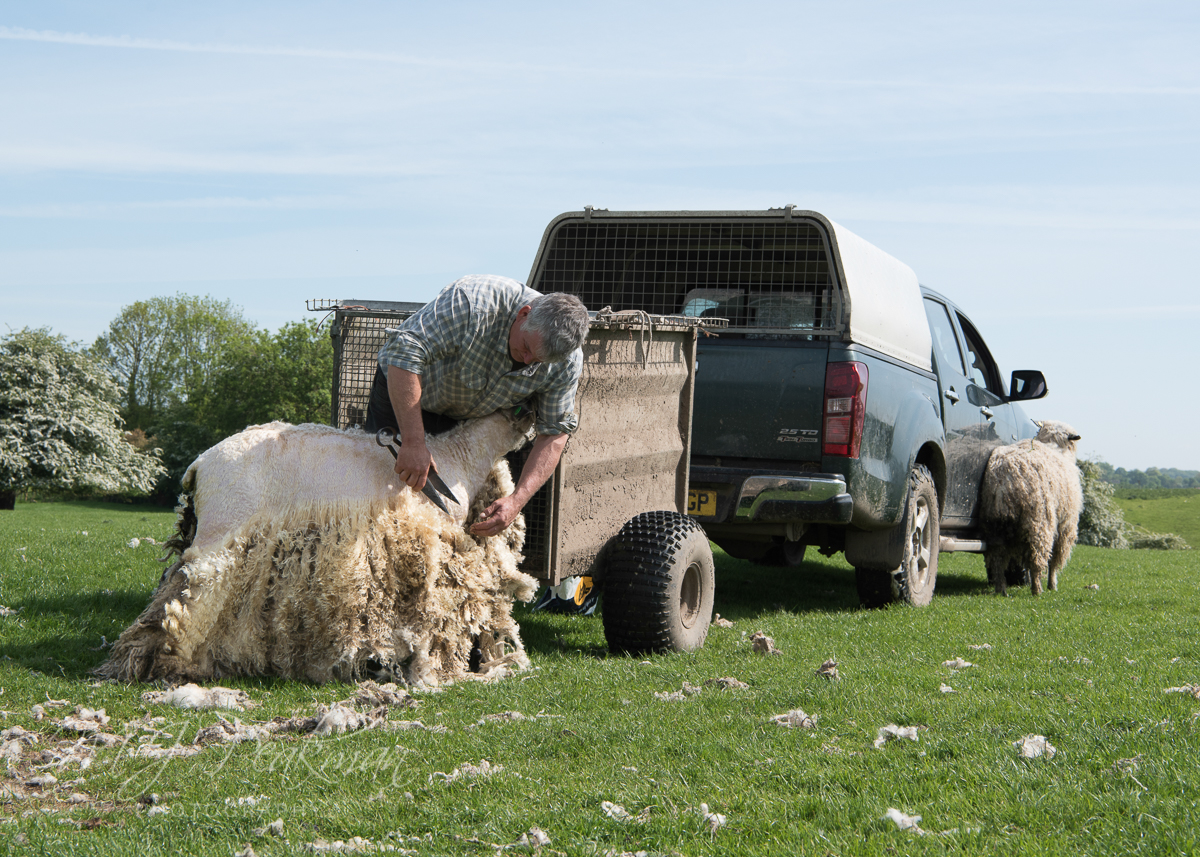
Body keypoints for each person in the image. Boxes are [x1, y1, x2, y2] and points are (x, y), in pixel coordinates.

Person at [364, 274, 589, 539]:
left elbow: (554, 431)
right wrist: (413, 443)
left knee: (440, 514)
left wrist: (517, 499)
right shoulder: (472, 303)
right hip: (406, 396)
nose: (528, 361)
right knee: (380, 489)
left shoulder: (567, 361)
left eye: (539, 361)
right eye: (527, 347)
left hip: (463, 419)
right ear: (524, 314)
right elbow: (404, 353)